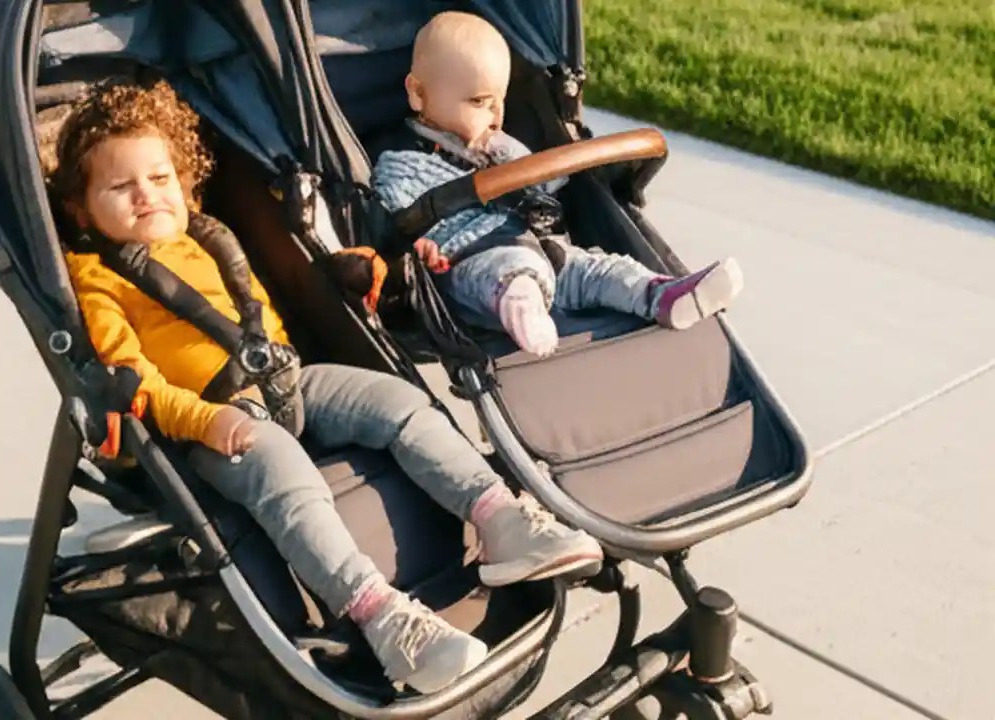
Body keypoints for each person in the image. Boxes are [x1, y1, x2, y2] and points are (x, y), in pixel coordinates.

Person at [49, 80, 605, 693]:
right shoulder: (99, 279)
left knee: (400, 403)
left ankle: (500, 519)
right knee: (288, 476)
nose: (147, 196)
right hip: (213, 421)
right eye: (120, 187)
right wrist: (204, 421)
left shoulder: (205, 237)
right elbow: (136, 383)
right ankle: (384, 619)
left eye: (160, 179)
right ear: (81, 209)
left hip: (286, 378)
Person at [370, 11, 744, 357]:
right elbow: (392, 219)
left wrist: (542, 170)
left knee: (600, 268)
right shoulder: (401, 160)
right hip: (467, 267)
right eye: (481, 101)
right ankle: (524, 310)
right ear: (418, 93)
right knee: (509, 268)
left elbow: (546, 181)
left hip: (544, 251)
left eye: (499, 101)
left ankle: (662, 296)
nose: (497, 116)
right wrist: (418, 246)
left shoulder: (496, 145)